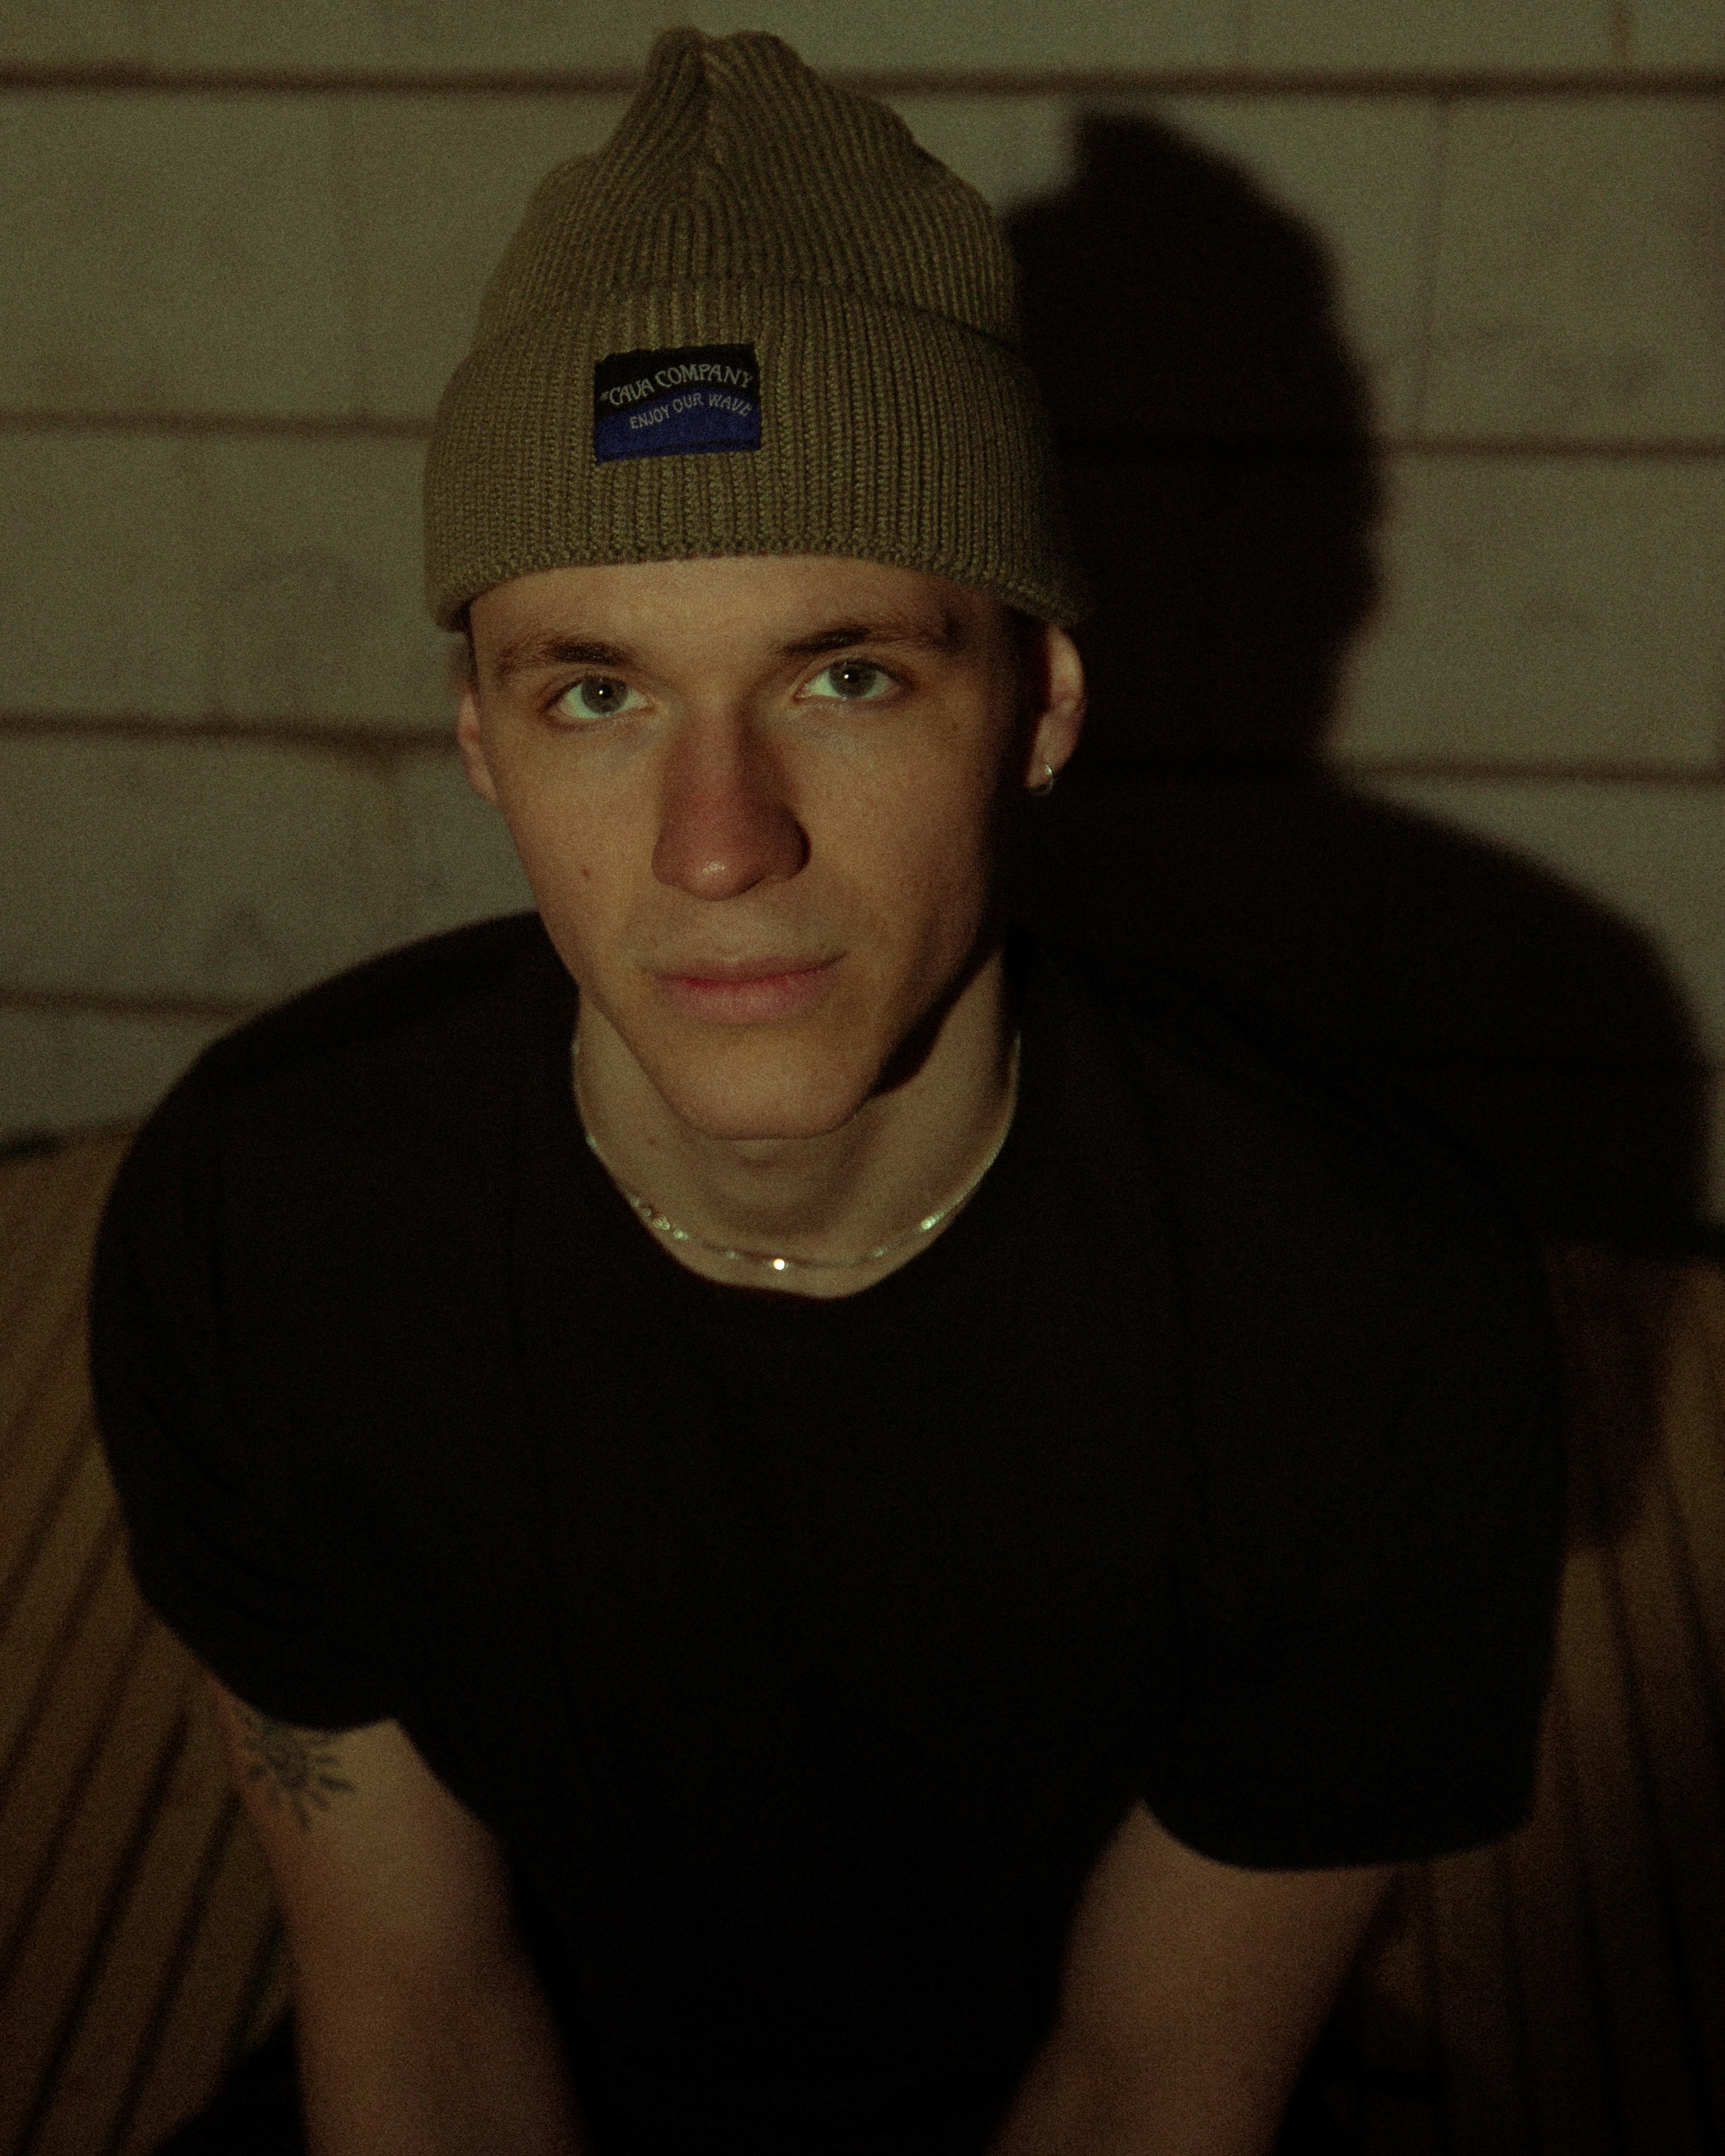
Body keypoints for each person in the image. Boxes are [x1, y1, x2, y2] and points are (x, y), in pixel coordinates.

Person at [89, 29, 1566, 2156]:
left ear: (1039, 704)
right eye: (596, 693)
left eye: (845, 674)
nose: (717, 844)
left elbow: (1145, 2084)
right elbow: (414, 2000)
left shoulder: (1362, 1303)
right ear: (482, 741)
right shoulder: (267, 1218)